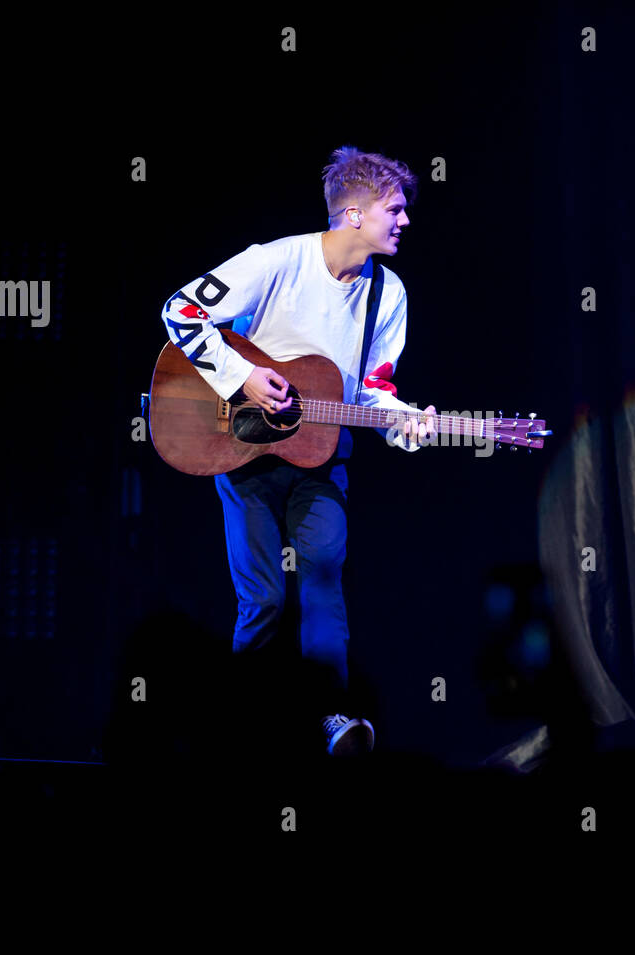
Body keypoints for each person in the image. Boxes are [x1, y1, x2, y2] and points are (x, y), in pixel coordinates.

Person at [159, 146, 436, 756]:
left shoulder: (387, 295)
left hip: (323, 456)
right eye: (395, 209)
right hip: (243, 445)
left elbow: (374, 391)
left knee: (323, 575)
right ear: (355, 215)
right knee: (263, 596)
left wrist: (406, 423)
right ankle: (241, 722)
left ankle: (330, 716)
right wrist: (243, 378)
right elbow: (178, 309)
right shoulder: (276, 261)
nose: (405, 220)